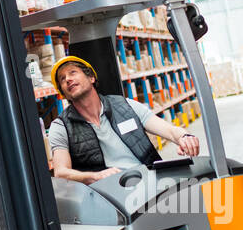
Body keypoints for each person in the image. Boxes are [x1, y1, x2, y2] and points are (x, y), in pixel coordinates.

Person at [47, 55, 200, 186]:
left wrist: (184, 137)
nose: (68, 79)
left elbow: (169, 130)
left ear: (91, 77)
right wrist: (95, 176)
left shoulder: (125, 105)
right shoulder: (61, 126)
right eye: (62, 79)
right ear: (63, 94)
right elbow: (61, 172)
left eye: (73, 72)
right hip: (108, 194)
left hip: (150, 181)